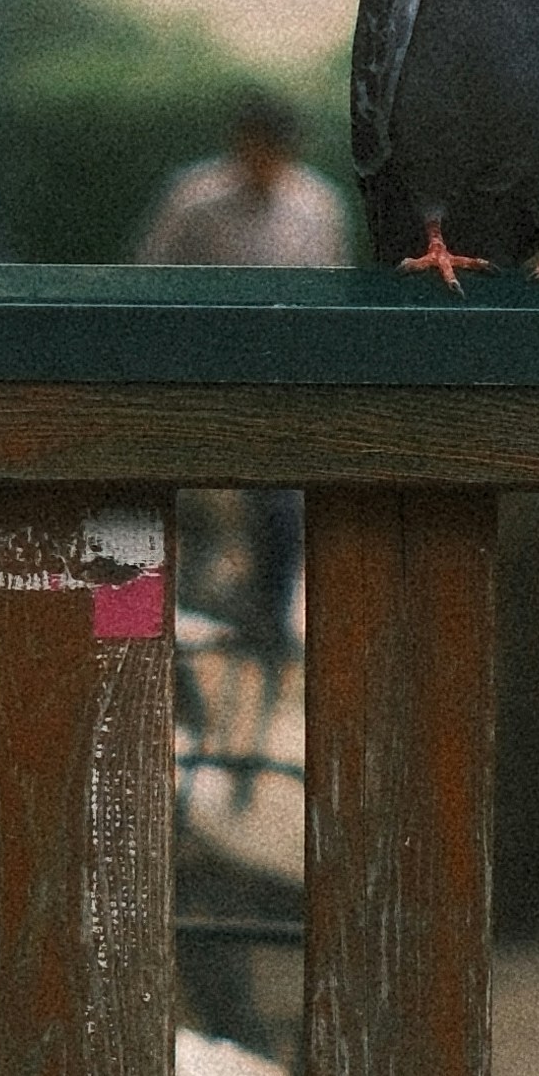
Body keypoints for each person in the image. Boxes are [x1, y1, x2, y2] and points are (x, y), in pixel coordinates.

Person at [129, 86, 346, 665]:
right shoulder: (195, 199)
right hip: (196, 370)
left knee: (278, 501)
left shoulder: (316, 205)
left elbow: (329, 296)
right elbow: (151, 277)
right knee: (155, 493)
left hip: (276, 378)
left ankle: (268, 625)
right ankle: (132, 622)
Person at [134, 88, 349, 281]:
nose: (260, 162)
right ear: (238, 144)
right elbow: (150, 269)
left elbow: (333, 280)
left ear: (289, 152)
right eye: (253, 150)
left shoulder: (319, 205)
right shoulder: (194, 196)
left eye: (270, 152)